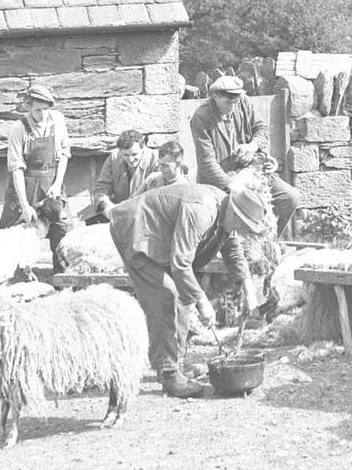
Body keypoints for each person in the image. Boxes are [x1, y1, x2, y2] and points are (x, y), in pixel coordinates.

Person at [109, 180, 266, 398]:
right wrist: (203, 304)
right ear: (236, 214)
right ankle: (170, 374)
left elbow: (233, 253)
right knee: (167, 295)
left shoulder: (226, 214)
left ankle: (175, 365)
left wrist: (249, 291)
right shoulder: (201, 210)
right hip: (136, 230)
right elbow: (181, 264)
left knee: (182, 295)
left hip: (159, 237)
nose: (243, 231)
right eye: (244, 226)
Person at [190, 76, 300, 234]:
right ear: (215, 96)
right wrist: (233, 186)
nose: (234, 106)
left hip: (251, 174)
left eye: (236, 101)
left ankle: (268, 242)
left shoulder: (243, 101)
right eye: (228, 102)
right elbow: (207, 163)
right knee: (235, 211)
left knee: (290, 197)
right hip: (221, 183)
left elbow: (261, 129)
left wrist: (252, 146)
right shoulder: (201, 117)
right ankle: (240, 249)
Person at [0, 84, 70, 270]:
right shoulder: (18, 128)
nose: (43, 114)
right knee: (14, 235)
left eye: (46, 109)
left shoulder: (58, 120)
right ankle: (17, 280)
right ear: (28, 107)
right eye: (38, 110)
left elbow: (64, 154)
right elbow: (16, 169)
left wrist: (57, 183)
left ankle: (62, 280)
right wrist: (24, 205)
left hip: (52, 182)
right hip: (26, 183)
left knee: (62, 230)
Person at [88, 129, 157, 222]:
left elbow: (157, 196)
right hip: (119, 209)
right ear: (120, 151)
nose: (131, 159)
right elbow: (101, 188)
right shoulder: (114, 157)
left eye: (134, 154)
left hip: (146, 212)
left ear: (142, 148)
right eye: (126, 155)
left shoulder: (155, 160)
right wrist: (106, 205)